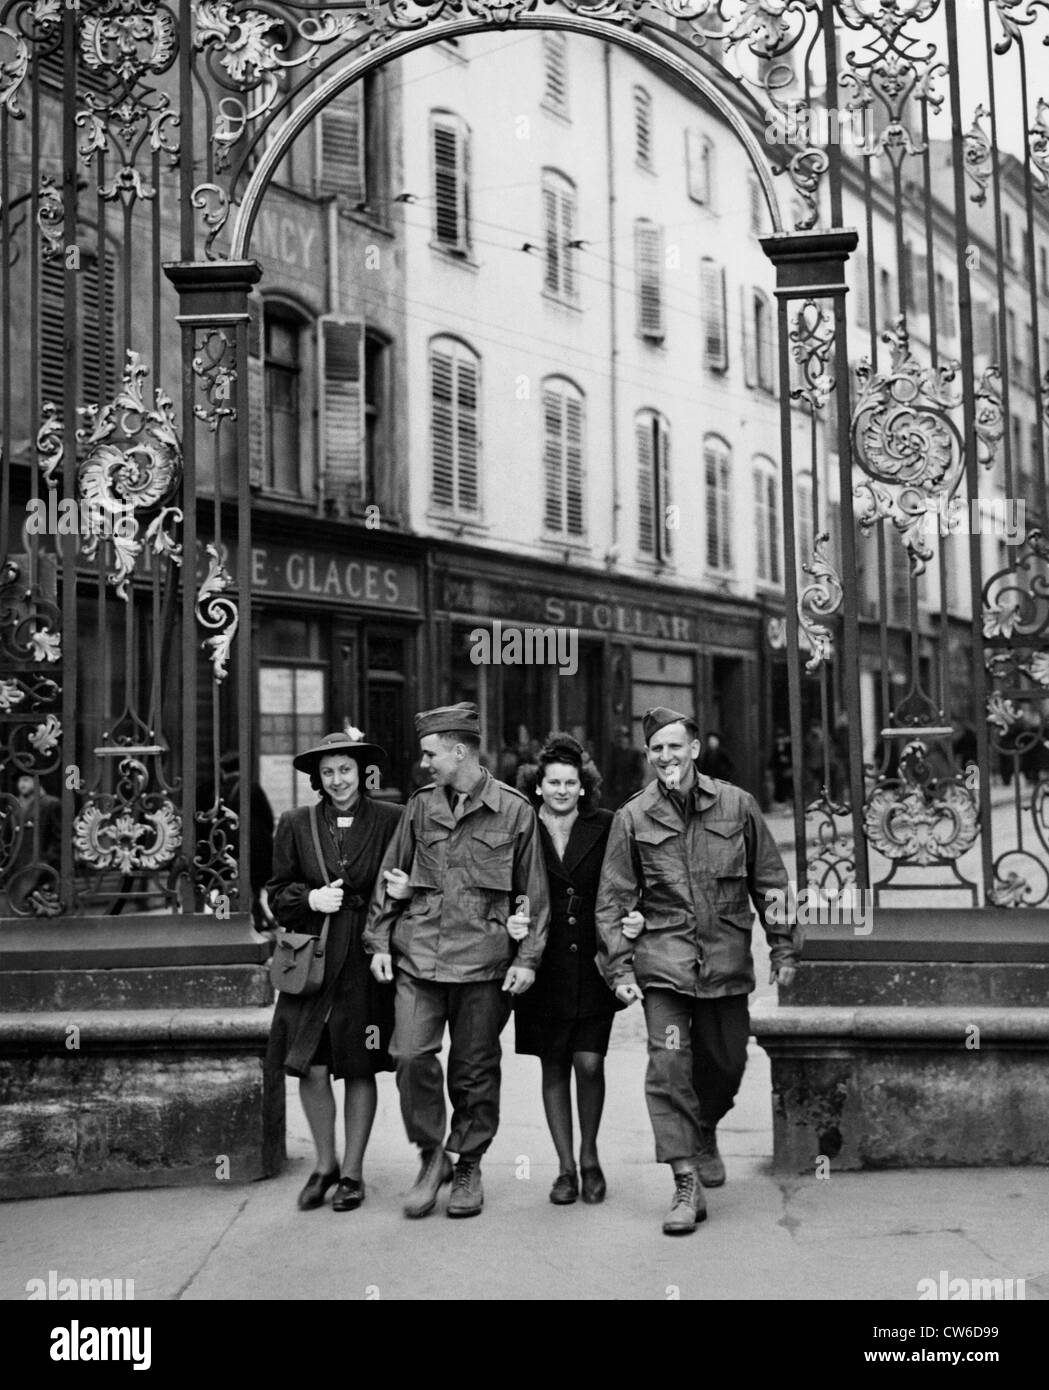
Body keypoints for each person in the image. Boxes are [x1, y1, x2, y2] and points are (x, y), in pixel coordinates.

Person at [595, 707, 799, 1237]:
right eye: (656, 749)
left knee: (727, 1062)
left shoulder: (738, 805)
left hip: (726, 961)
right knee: (668, 1066)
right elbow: (613, 900)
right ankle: (685, 1178)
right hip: (664, 965)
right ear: (649, 756)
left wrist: (783, 949)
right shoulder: (632, 818)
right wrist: (619, 965)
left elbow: (771, 884)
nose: (666, 756)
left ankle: (704, 1126)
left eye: (674, 746)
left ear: (694, 749)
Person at [364, 701, 550, 1220]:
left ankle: (467, 1161)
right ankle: (431, 1155)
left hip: (485, 964)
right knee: (409, 1055)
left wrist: (528, 958)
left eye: (431, 753)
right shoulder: (420, 807)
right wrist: (377, 941)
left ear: (459, 750)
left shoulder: (514, 811)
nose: (424, 762)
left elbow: (532, 895)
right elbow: (389, 873)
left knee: (474, 1070)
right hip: (419, 955)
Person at [265, 729, 410, 1214]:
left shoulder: (392, 819)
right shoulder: (295, 823)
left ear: (362, 772)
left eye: (345, 770)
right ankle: (324, 1165)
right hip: (313, 958)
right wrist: (307, 898)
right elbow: (276, 891)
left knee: (359, 1063)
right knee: (312, 1061)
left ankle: (352, 1172)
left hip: (365, 957)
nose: (338, 780)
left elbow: (404, 885)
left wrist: (400, 899)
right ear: (317, 779)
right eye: (328, 773)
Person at [511, 733, 639, 1206]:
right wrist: (513, 918)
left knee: (589, 1062)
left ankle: (590, 1155)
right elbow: (510, 886)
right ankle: (565, 1168)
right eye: (553, 783)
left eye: (570, 783)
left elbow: (629, 882)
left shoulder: (606, 825)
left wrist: (635, 917)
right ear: (538, 786)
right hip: (541, 962)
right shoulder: (524, 827)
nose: (562, 790)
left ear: (583, 787)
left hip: (591, 958)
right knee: (553, 1065)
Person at [2, 772, 62, 915]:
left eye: (26, 780)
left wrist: (49, 859)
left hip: (40, 865)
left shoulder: (50, 803)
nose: (22, 784)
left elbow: (59, 837)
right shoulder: (14, 806)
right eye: (20, 781)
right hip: (17, 866)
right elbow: (7, 837)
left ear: (37, 782)